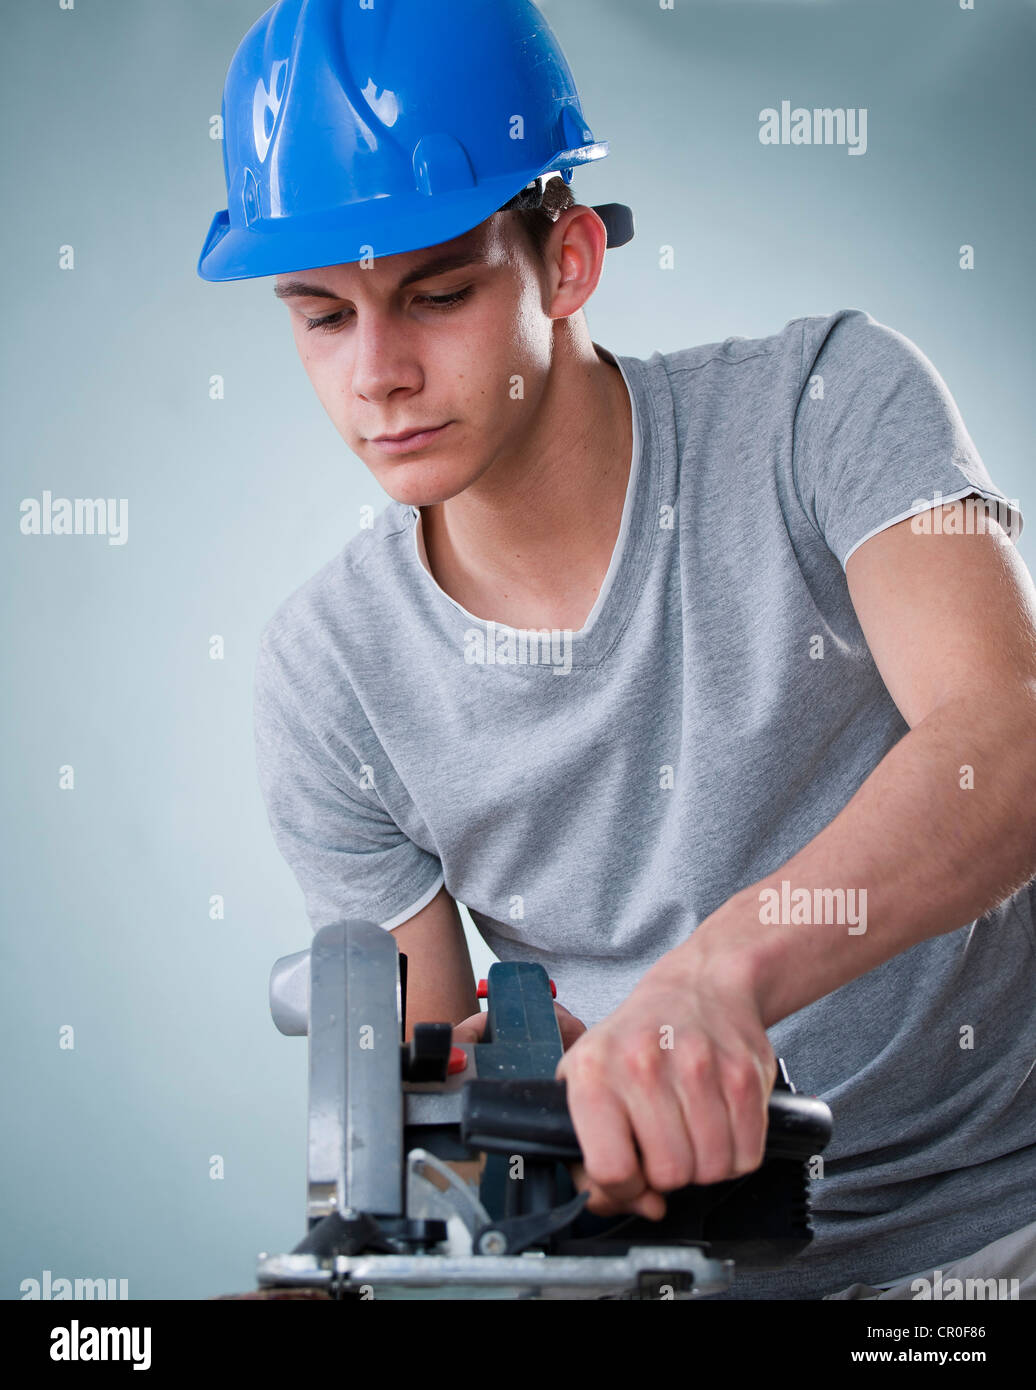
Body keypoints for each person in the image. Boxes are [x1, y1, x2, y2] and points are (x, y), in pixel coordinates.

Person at [198, 0, 1036, 1300]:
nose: (377, 376)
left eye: (435, 292)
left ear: (568, 258)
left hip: (999, 1232)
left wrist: (712, 979)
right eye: (321, 315)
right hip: (679, 1280)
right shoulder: (326, 674)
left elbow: (1012, 737)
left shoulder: (836, 401)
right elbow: (428, 1091)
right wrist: (540, 1127)